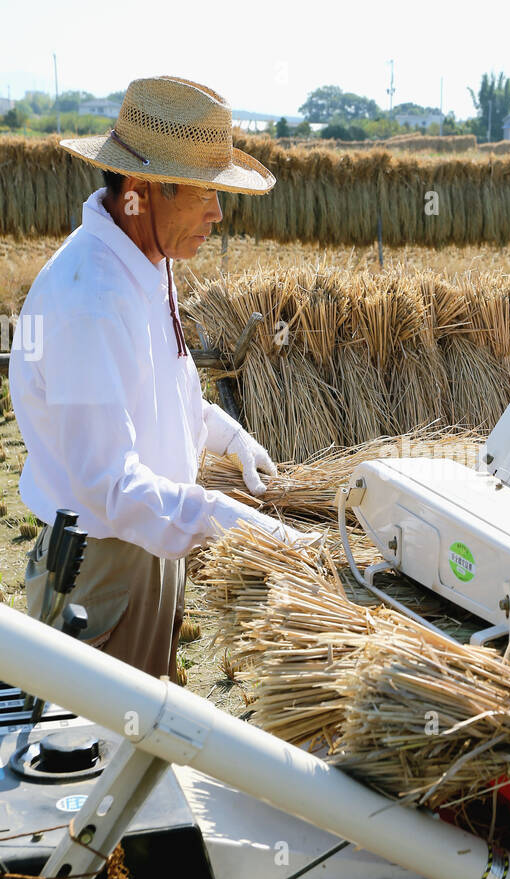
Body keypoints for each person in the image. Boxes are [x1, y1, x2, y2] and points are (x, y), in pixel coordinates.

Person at [10, 74, 312, 682]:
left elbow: (163, 391)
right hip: (105, 570)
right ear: (142, 191)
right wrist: (219, 517)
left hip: (146, 549)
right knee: (102, 760)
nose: (219, 213)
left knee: (150, 755)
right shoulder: (92, 298)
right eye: (204, 192)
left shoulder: (146, 259)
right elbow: (109, 489)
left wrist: (227, 437)